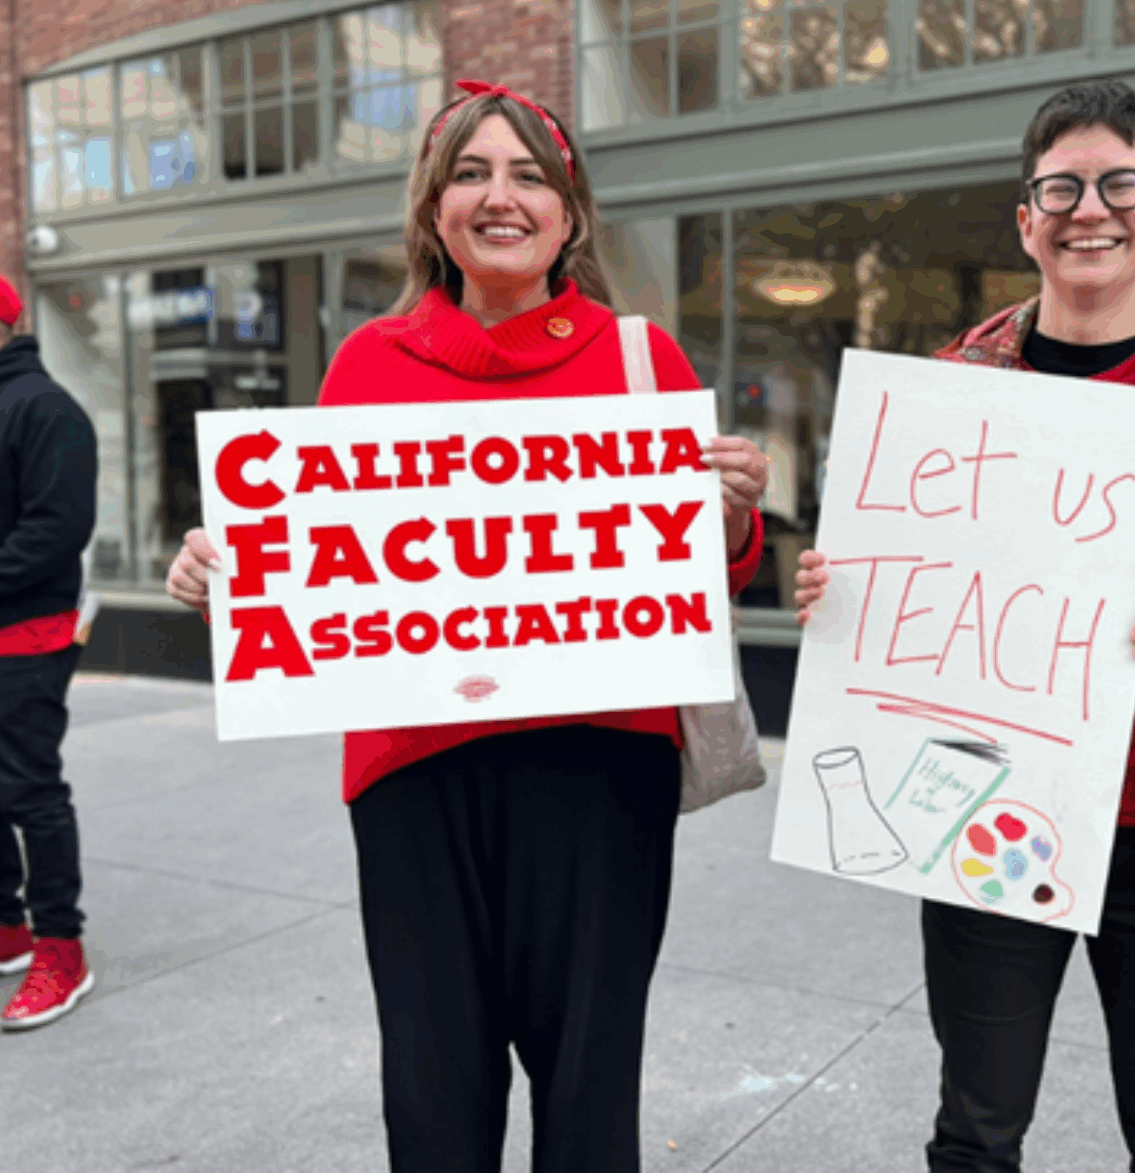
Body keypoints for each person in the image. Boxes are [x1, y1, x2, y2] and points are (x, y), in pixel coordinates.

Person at [166, 80, 770, 1171]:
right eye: (472, 173)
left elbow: (713, 576)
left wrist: (731, 519)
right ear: (432, 208)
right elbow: (317, 565)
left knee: (590, 1084)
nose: (502, 197)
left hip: (601, 766)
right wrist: (224, 568)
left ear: (572, 215)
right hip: (413, 772)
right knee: (433, 1086)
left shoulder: (643, 361)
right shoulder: (367, 365)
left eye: (531, 176)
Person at [794, 78, 1135, 1173]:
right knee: (975, 1133)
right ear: (1026, 219)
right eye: (1060, 187)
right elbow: (902, 590)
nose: (1088, 208)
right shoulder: (946, 396)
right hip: (995, 823)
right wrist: (839, 596)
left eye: (1118, 183)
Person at [0, 259, 98, 1030]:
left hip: (13, 638)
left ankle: (60, 946)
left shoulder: (42, 406)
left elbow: (54, 533)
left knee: (30, 795)